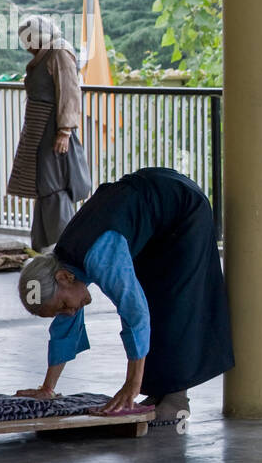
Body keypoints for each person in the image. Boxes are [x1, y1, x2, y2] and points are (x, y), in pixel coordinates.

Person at [15, 167, 233, 425]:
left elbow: (135, 315)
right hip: (154, 216)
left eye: (63, 305)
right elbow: (64, 325)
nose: (69, 311)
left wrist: (130, 386)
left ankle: (176, 401)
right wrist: (48, 388)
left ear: (63, 278)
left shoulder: (100, 253)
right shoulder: (64, 265)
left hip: (184, 209)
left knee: (173, 305)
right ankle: (157, 394)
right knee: (150, 296)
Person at [6, 15, 92, 251]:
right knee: (43, 186)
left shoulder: (59, 53)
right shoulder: (46, 54)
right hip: (40, 128)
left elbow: (69, 93)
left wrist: (64, 131)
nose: (27, 47)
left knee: (53, 185)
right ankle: (43, 247)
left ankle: (63, 248)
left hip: (54, 130)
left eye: (29, 40)